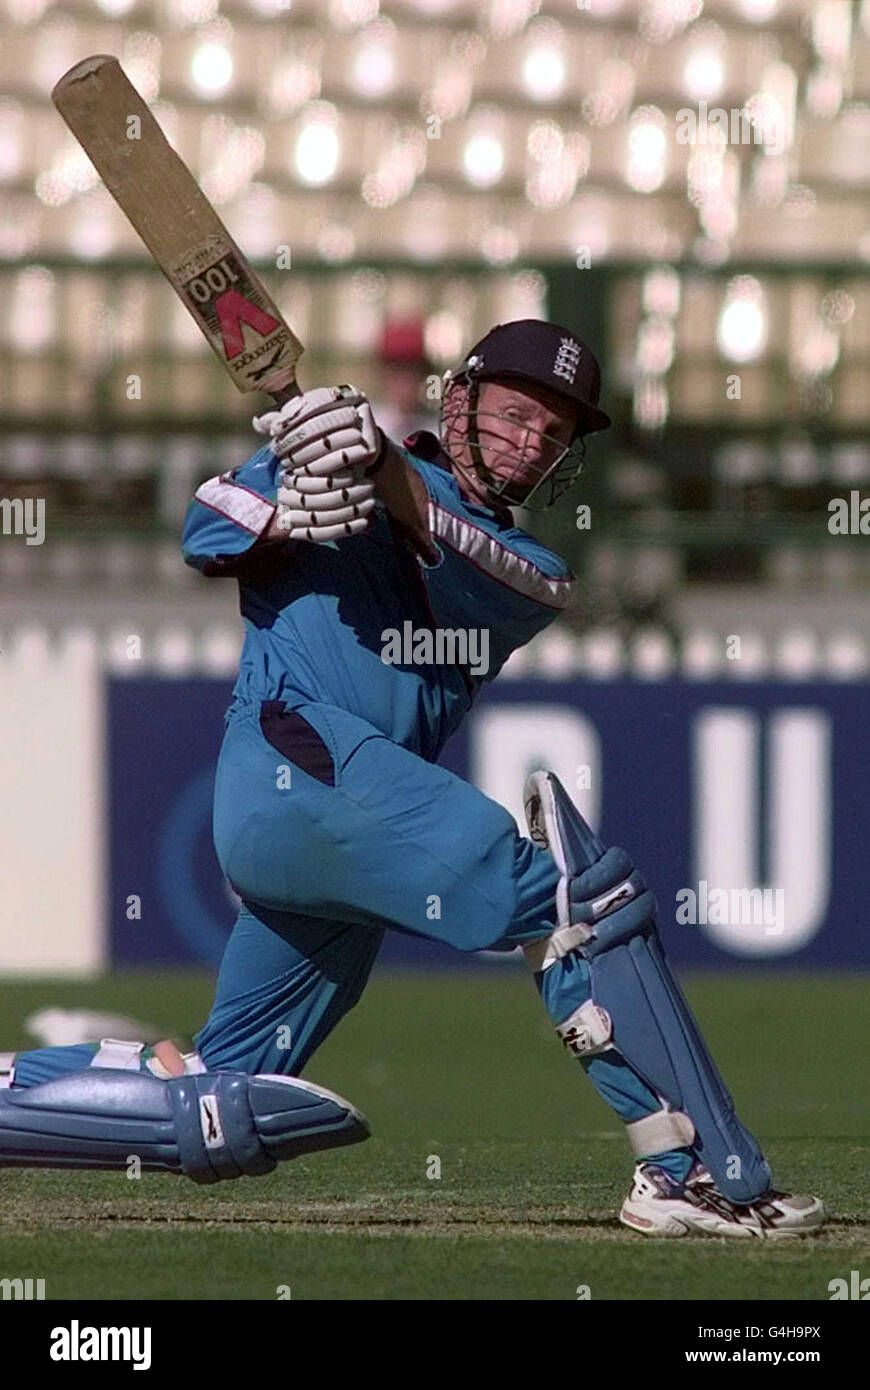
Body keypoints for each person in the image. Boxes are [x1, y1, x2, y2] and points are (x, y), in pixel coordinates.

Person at [0, 320, 824, 1238]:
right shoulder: (324, 455)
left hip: (337, 817)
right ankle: (689, 1170)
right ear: (458, 401)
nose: (529, 446)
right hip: (299, 769)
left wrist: (375, 463)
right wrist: (285, 507)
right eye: (514, 417)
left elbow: (457, 543)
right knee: (576, 902)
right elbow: (203, 531)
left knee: (215, 1104)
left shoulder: (532, 570)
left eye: (552, 436)